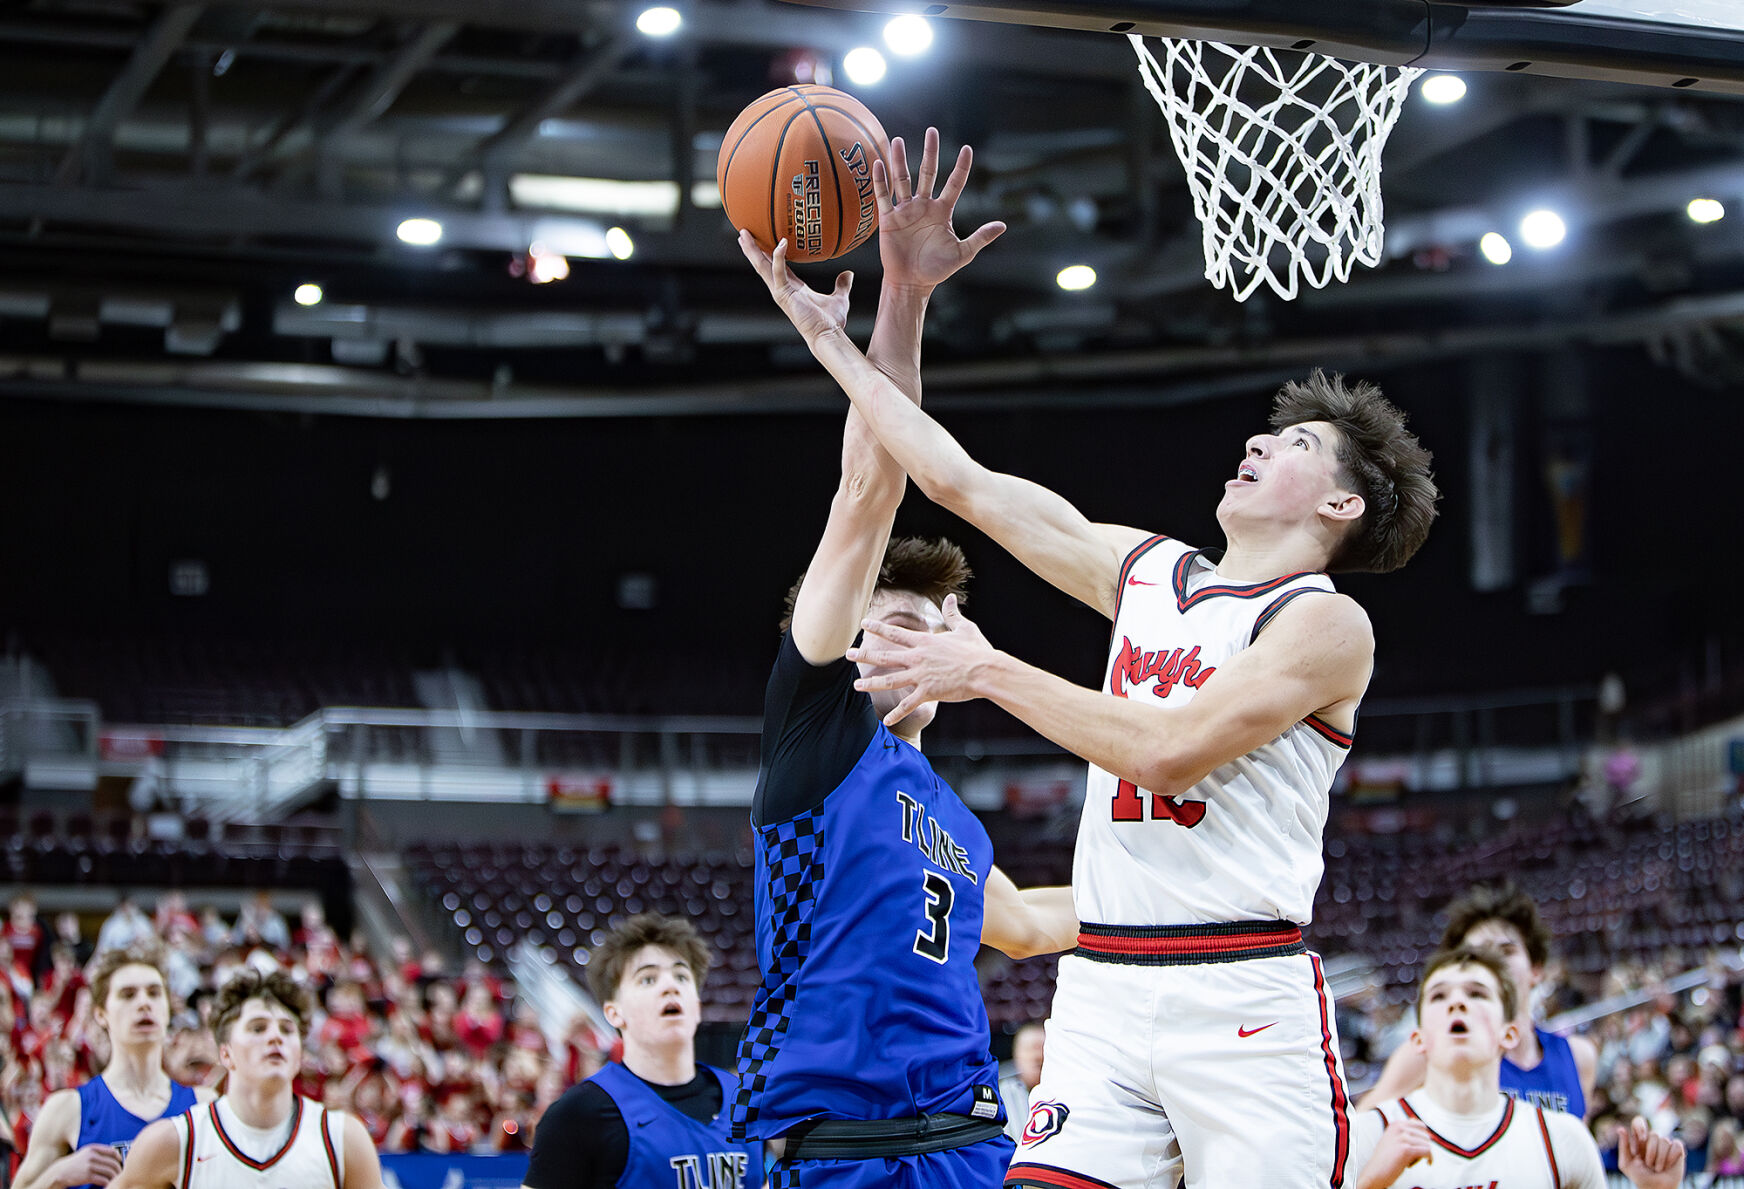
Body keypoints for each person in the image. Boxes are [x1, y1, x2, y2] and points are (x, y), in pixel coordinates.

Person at [739, 127, 1439, 1189]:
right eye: (1263, 434)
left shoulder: (1323, 622)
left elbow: (1167, 752)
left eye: (1293, 445)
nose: (1255, 445)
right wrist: (861, 318)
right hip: (1106, 984)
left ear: (1341, 503)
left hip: (1236, 989)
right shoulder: (1146, 572)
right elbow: (952, 478)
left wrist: (987, 670)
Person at [730, 128, 1077, 1189]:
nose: (911, 636)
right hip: (833, 1144)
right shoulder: (817, 734)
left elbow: (1021, 925)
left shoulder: (956, 822)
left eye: (933, 623)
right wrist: (904, 292)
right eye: (888, 618)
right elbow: (869, 492)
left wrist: (1222, 898)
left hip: (969, 1142)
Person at [1349, 946, 1683, 1189]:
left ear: (1509, 1033)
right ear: (1418, 1038)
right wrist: (1370, 1184)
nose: (1457, 1002)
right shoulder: (1368, 1134)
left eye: (1477, 993)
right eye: (1439, 996)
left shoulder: (1563, 1138)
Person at [522, 914, 760, 1189]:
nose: (671, 986)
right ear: (614, 1013)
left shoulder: (744, 1099)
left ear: (696, 1004)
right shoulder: (578, 1114)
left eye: (682, 976)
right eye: (648, 979)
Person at [108, 969, 383, 1189]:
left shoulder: (342, 1138)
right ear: (225, 1054)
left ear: (299, 1054)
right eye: (258, 1027)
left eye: (287, 1030)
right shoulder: (175, 1140)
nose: (275, 1037)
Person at [1356, 883, 1598, 1118]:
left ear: (1536, 969)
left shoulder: (1579, 1056)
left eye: (1506, 951)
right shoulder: (1428, 1052)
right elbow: (1359, 1132)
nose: (1494, 964)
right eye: (1479, 955)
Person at [13, 942, 205, 1189]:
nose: (144, 1003)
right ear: (100, 1014)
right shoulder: (67, 1109)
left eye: (154, 993)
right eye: (128, 994)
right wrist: (57, 1175)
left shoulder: (203, 1105)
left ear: (168, 1009)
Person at [999, 1024, 1046, 1144]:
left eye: (1042, 1048)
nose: (1037, 1056)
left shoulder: (1067, 1091)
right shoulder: (998, 1094)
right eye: (1030, 1049)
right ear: (1016, 1055)